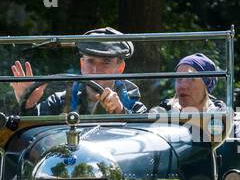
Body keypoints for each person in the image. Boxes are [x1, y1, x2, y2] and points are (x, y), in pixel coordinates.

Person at [10, 27, 147, 115]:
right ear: (82, 64)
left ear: (120, 68)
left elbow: (143, 136)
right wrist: (28, 105)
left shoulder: (132, 103)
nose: (95, 69)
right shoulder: (61, 101)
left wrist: (120, 111)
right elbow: (32, 138)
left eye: (105, 62)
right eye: (90, 61)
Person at [157, 53, 226, 113]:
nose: (183, 86)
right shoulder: (162, 114)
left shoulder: (221, 119)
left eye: (191, 79)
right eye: (179, 78)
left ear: (207, 84)